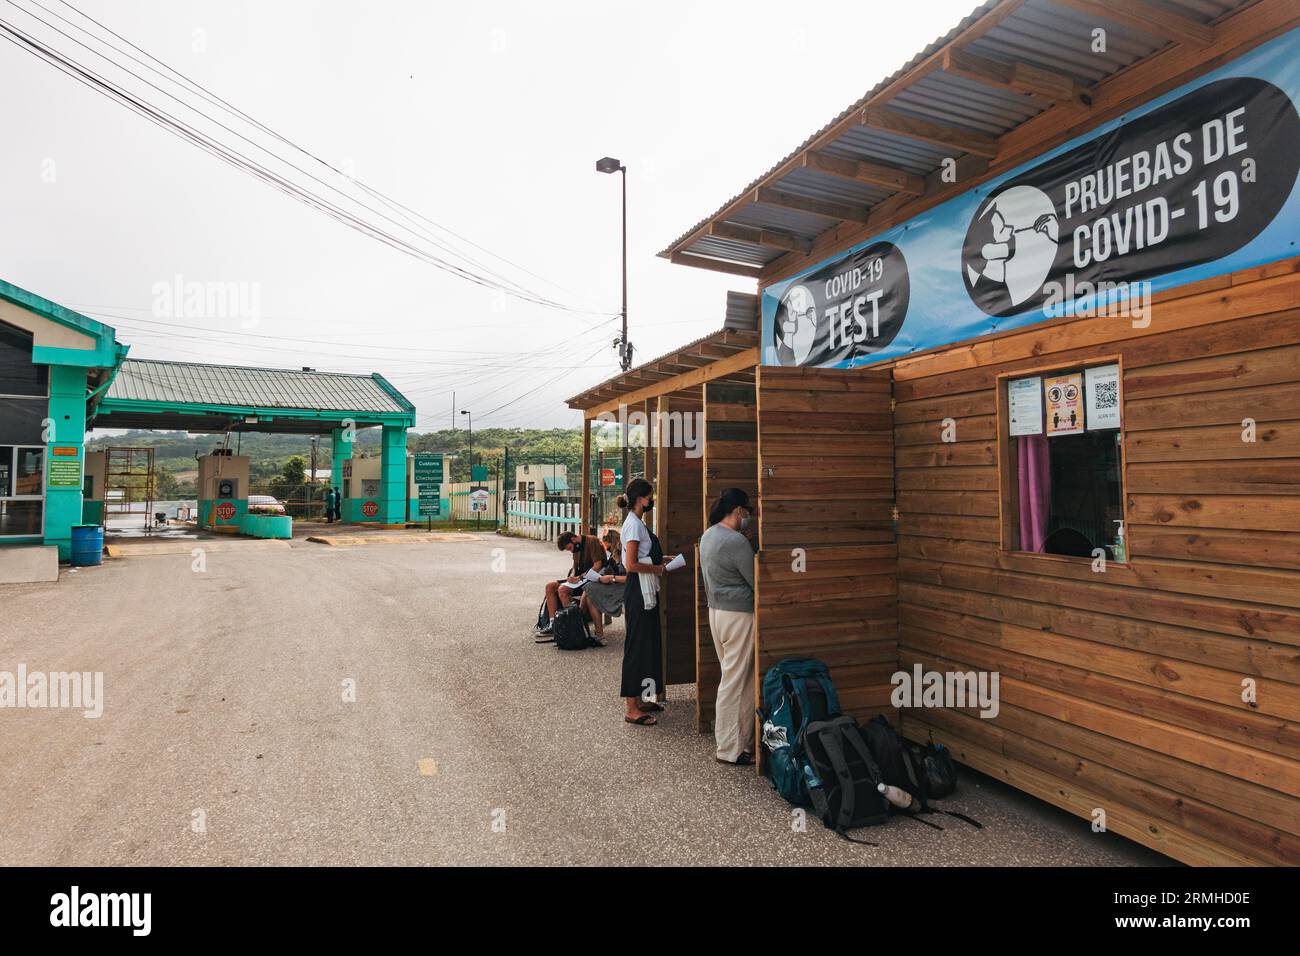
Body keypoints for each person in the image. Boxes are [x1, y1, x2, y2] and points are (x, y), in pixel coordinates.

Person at [699, 487, 757, 765]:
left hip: (716, 613)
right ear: (737, 512)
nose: (749, 518)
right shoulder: (736, 542)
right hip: (739, 616)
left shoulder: (708, 536)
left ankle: (741, 742)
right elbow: (755, 582)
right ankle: (728, 748)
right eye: (747, 512)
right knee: (734, 683)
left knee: (739, 679)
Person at [618, 478, 681, 726]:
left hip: (644, 590)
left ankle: (643, 698)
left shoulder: (637, 523)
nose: (652, 500)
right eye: (650, 496)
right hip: (637, 590)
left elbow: (642, 554)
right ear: (642, 499)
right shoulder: (633, 525)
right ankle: (631, 707)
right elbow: (631, 564)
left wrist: (663, 558)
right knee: (636, 645)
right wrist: (659, 569)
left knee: (647, 643)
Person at [536, 530, 606, 638]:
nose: (570, 551)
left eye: (569, 548)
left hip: (592, 579)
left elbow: (598, 565)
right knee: (550, 586)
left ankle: (573, 626)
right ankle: (553, 624)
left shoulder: (592, 541)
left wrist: (579, 577)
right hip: (579, 580)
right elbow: (574, 568)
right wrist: (572, 577)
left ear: (573, 539)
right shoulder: (576, 547)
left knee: (562, 590)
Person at [580, 529, 626, 640]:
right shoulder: (615, 554)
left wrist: (611, 578)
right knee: (590, 590)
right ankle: (596, 631)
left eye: (608, 547)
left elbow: (630, 578)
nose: (608, 550)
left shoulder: (623, 554)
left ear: (612, 543)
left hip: (624, 587)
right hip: (616, 584)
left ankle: (579, 617)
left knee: (589, 589)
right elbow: (608, 568)